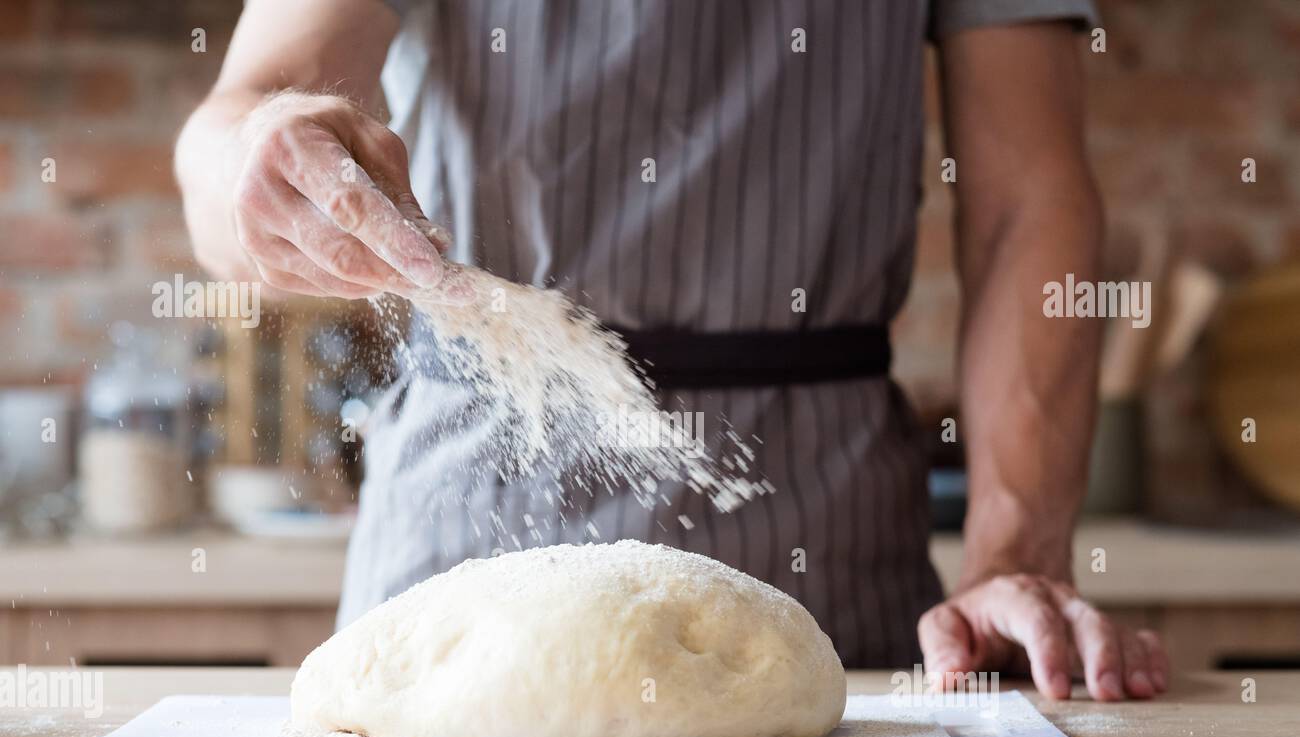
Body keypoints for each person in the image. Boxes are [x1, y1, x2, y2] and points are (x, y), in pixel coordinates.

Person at [176, 0, 1168, 701]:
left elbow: (1027, 201)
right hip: (462, 552)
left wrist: (1014, 558)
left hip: (832, 562)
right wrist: (253, 152)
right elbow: (248, 108)